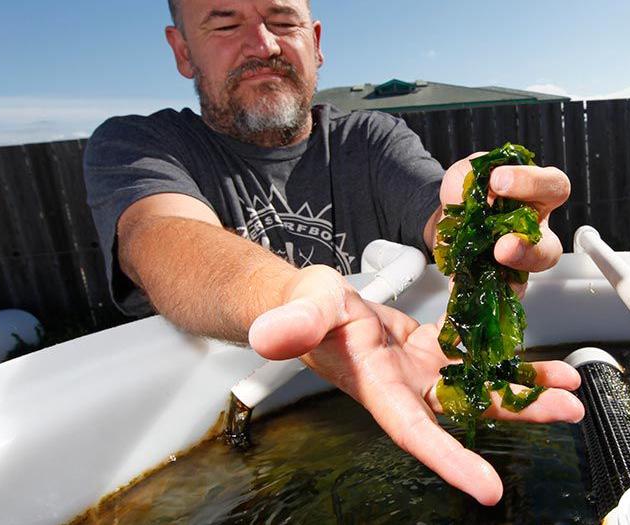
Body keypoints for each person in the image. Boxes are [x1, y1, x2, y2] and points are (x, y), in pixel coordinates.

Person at [83, 0, 583, 506]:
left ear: (317, 42)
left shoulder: (370, 141)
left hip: (388, 421)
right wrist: (291, 294)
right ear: (182, 50)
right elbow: (162, 236)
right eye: (226, 23)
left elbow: (439, 213)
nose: (264, 45)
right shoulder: (142, 146)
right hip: (230, 452)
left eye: (283, 21)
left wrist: (486, 220)